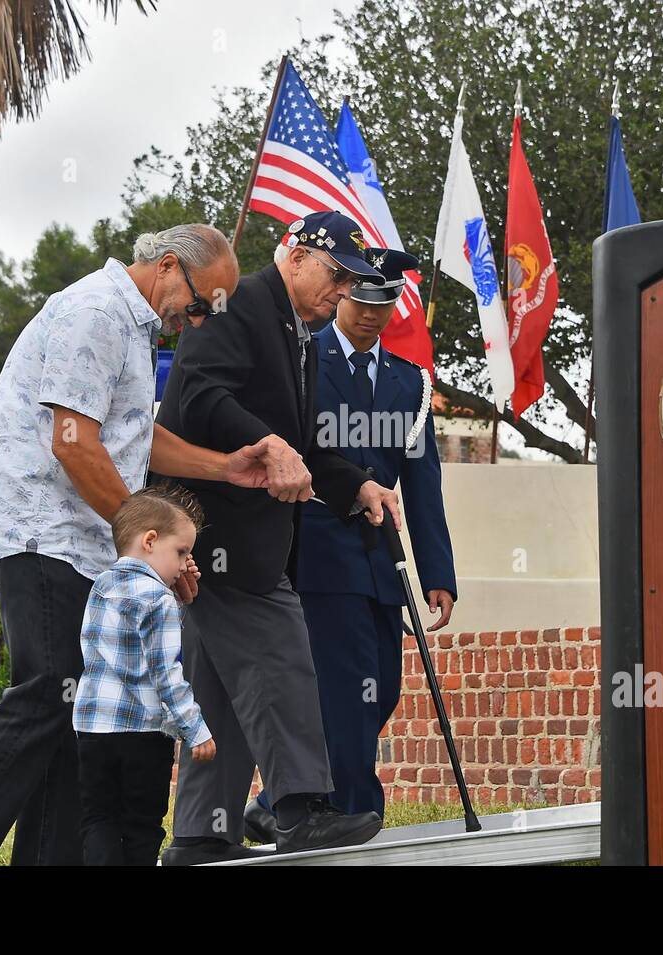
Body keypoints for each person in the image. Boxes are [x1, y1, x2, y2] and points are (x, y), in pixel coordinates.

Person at [0, 225, 291, 866]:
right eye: (199, 306)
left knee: (69, 714)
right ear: (168, 267)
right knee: (45, 696)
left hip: (81, 548)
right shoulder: (96, 311)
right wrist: (146, 550)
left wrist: (226, 466)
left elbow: (136, 441)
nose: (198, 324)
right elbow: (74, 441)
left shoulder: (132, 328)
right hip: (40, 536)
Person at [153, 211, 403, 865]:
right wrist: (264, 447)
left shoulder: (297, 334)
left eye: (352, 281)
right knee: (281, 653)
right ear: (294, 255)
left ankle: (202, 833)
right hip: (216, 533)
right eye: (337, 273)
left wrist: (355, 485)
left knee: (222, 690)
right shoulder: (235, 308)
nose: (344, 290)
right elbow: (198, 399)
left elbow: (307, 442)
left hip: (234, 541)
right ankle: (300, 809)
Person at [244, 248, 457, 842]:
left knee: (380, 686)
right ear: (342, 296)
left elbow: (422, 482)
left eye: (383, 302)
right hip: (316, 546)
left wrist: (437, 570)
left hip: (380, 557)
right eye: (362, 298)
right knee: (342, 688)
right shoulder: (305, 359)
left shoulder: (410, 382)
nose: (371, 312)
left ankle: (277, 801)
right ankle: (350, 810)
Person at [73, 484, 215, 865]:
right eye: (181, 552)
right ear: (150, 541)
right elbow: (165, 673)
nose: (186, 564)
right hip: (143, 734)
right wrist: (195, 729)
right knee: (141, 824)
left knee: (98, 818)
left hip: (92, 729)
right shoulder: (158, 599)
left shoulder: (100, 585)